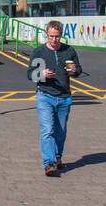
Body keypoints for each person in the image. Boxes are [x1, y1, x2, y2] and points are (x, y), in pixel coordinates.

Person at [28, 20, 82, 176]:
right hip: (45, 95)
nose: (54, 40)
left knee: (61, 131)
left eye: (57, 37)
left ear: (61, 35)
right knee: (47, 130)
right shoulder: (38, 52)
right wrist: (42, 74)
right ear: (46, 34)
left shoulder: (68, 51)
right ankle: (49, 163)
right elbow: (30, 74)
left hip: (64, 97)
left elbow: (78, 69)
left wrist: (73, 71)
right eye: (51, 36)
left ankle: (58, 157)